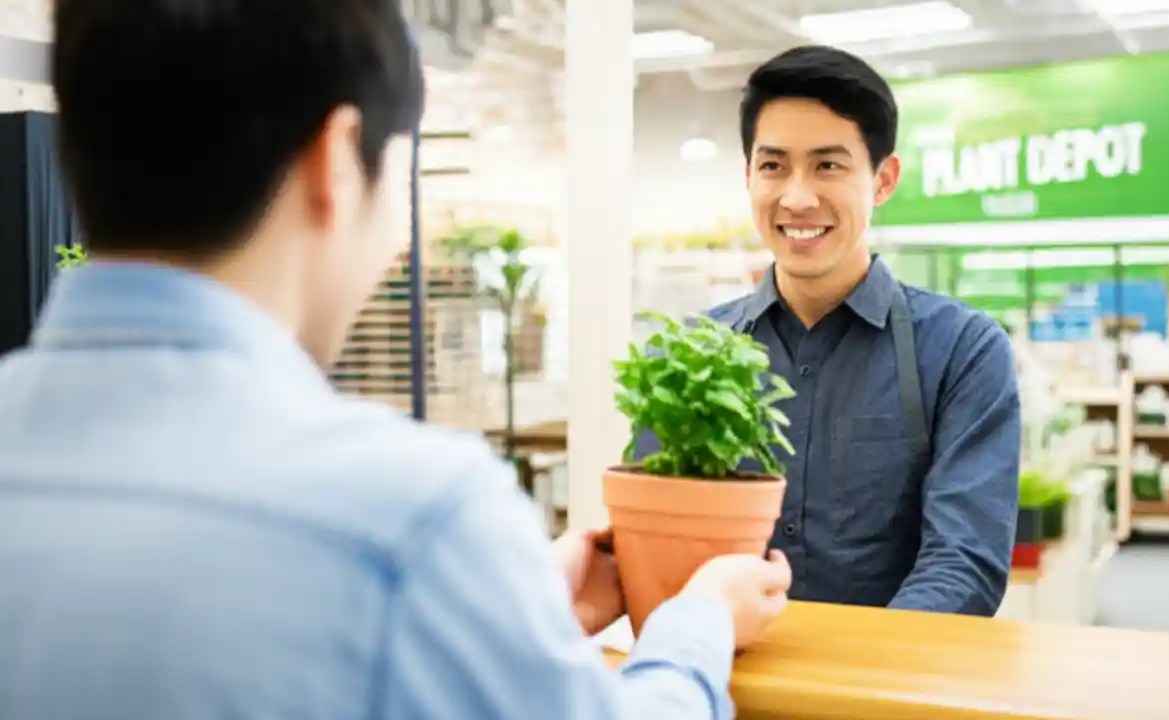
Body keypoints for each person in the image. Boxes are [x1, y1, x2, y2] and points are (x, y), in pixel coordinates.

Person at [0, 2, 791, 719]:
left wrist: (486, 614)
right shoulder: (409, 517)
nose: (396, 241)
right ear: (339, 163)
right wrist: (698, 628)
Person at [641, 45, 1021, 616]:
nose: (797, 196)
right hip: (719, 682)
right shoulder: (688, 359)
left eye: (828, 165)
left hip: (886, 691)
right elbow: (659, 538)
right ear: (748, 177)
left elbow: (964, 562)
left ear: (883, 179)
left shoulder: (960, 351)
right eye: (773, 166)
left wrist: (853, 682)